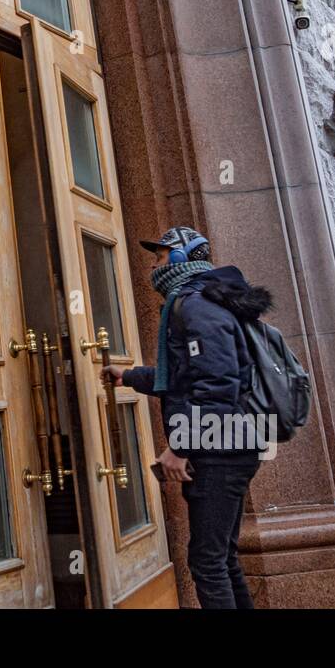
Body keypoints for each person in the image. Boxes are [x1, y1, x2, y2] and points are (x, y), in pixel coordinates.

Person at [101, 225, 272, 609]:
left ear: (181, 257)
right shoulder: (203, 299)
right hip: (233, 444)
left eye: (160, 255)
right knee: (221, 558)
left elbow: (216, 384)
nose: (154, 264)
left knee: (207, 562)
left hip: (221, 451)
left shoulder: (196, 304)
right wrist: (127, 376)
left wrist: (179, 448)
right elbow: (182, 376)